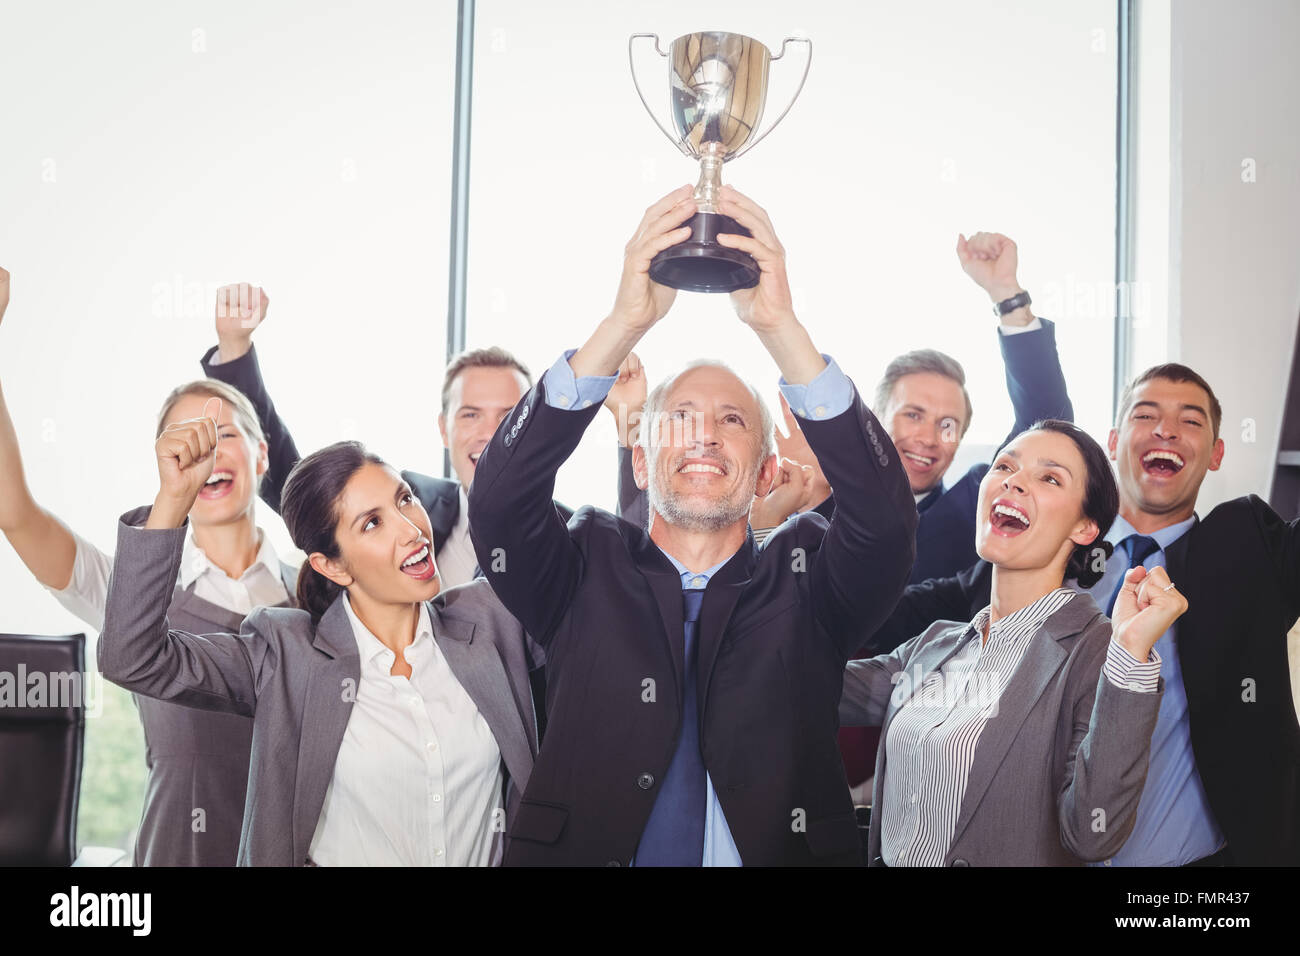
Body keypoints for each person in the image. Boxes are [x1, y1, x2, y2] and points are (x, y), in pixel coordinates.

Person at [468, 184, 918, 866]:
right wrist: (623, 324)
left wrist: (779, 328)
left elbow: (885, 521)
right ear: (641, 462)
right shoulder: (583, 566)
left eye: (733, 421)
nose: (704, 435)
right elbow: (499, 502)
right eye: (679, 417)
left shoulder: (809, 581)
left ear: (767, 474)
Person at [862, 364, 1300, 865]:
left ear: (1217, 453)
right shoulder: (1024, 554)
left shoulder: (1250, 549)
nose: (1166, 430)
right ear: (1114, 442)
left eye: (1191, 421)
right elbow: (877, 617)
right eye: (1146, 414)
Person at [97, 422, 538, 866]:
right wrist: (173, 501)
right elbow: (133, 658)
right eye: (373, 523)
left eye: (404, 498)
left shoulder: (489, 619)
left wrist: (614, 427)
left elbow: (602, 597)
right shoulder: (286, 656)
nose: (411, 530)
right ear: (332, 566)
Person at [0, 267, 295, 866]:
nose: (205, 448)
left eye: (224, 432)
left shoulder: (314, 592)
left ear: (263, 454)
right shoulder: (131, 590)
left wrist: (237, 348)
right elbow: (15, 513)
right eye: (187, 435)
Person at [606, 232, 1074, 581]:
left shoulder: (978, 504)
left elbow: (1049, 425)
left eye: (948, 425)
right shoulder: (797, 503)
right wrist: (632, 431)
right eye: (913, 415)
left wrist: (1009, 298)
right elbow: (663, 546)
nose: (929, 437)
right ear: (876, 418)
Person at [841, 419, 1185, 866]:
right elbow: (811, 687)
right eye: (1005, 466)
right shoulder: (936, 644)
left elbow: (1092, 835)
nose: (1015, 481)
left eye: (1049, 477)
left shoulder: (1099, 653)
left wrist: (1132, 651)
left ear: (1085, 527)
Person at [198, 283, 564, 587]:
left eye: (509, 416)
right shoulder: (405, 502)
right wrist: (235, 349)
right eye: (471, 414)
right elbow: (293, 480)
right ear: (443, 429)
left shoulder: (571, 535)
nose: (491, 434)